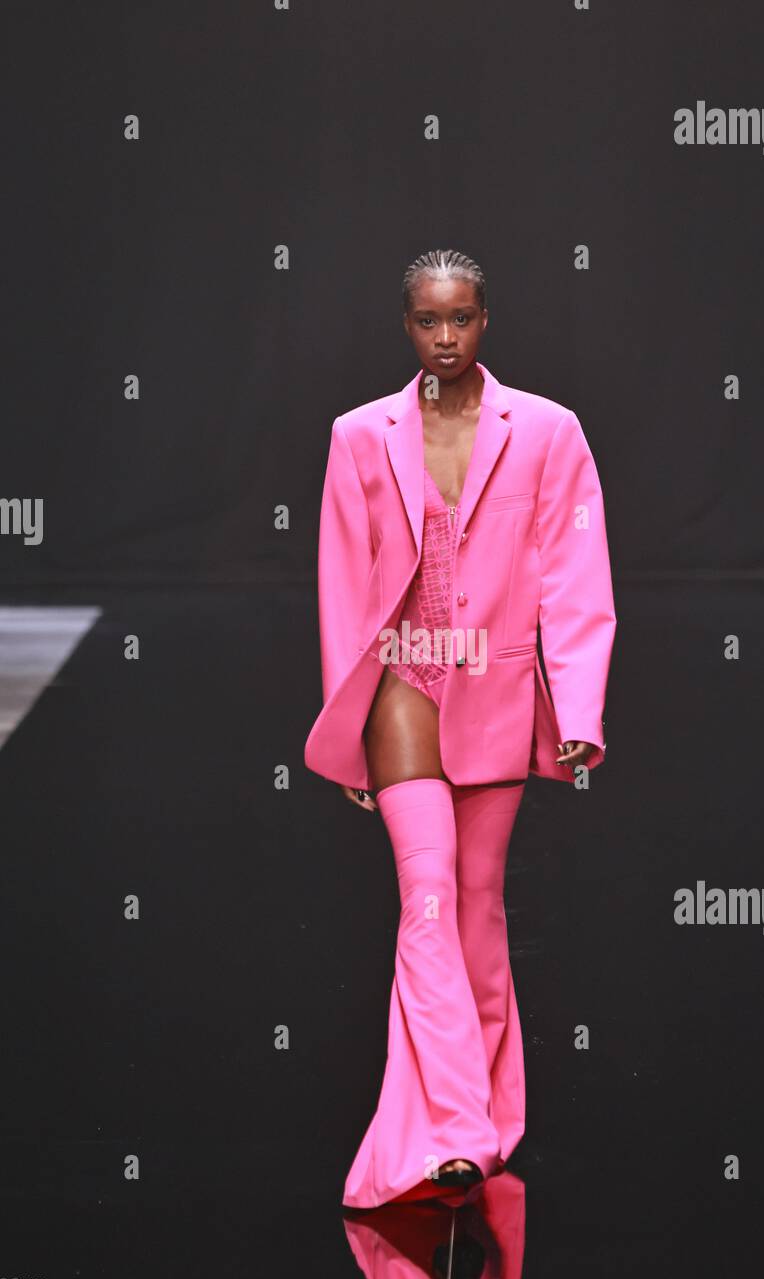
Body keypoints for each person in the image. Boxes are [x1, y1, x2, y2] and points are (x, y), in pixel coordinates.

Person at [304, 248, 617, 1208]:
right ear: (407, 327)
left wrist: (579, 706)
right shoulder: (361, 435)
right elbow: (343, 583)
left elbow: (574, 577)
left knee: (477, 907)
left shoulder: (549, 432)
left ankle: (487, 1117)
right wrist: (348, 718)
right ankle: (454, 1130)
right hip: (405, 682)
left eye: (464, 320)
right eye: (430, 322)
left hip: (499, 689)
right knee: (429, 897)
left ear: (487, 320)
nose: (447, 338)